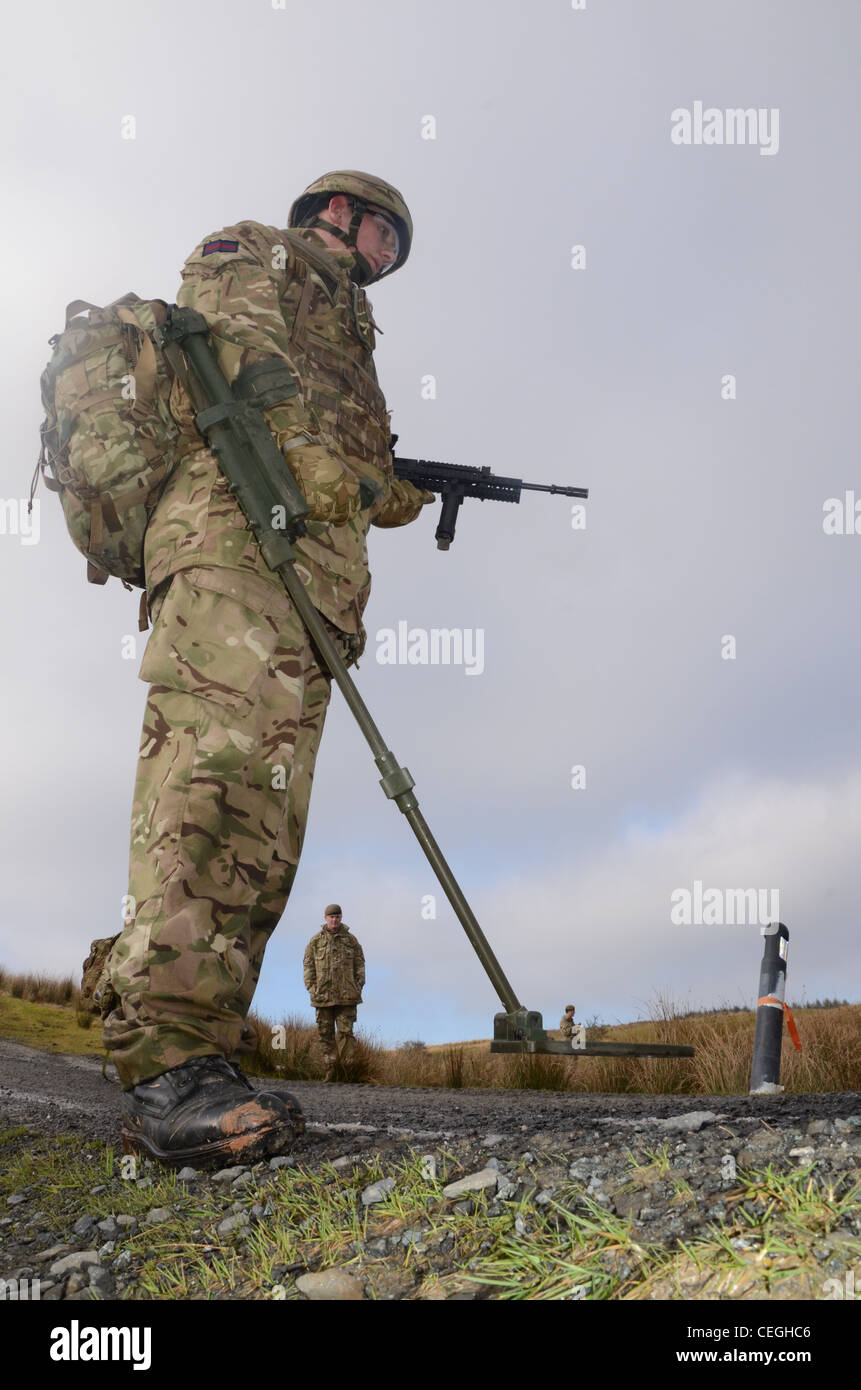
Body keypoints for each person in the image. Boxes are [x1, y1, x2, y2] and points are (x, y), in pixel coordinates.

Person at [101, 171, 432, 1167]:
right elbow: (236, 339)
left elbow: (332, 460)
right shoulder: (264, 251)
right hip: (238, 549)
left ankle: (200, 1053)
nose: (384, 260)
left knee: (264, 822)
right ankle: (163, 1069)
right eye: (384, 238)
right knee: (217, 778)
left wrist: (380, 488)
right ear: (341, 211)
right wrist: (311, 452)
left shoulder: (350, 330)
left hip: (312, 591)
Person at [303, 905, 365, 1078]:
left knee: (346, 1034)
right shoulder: (316, 941)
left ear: (341, 917)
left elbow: (359, 964)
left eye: (337, 917)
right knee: (325, 1033)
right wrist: (311, 987)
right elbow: (308, 965)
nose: (334, 920)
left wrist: (358, 985)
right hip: (323, 996)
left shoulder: (351, 940)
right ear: (325, 918)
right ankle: (330, 1072)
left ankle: (346, 1072)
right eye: (331, 917)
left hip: (347, 996)